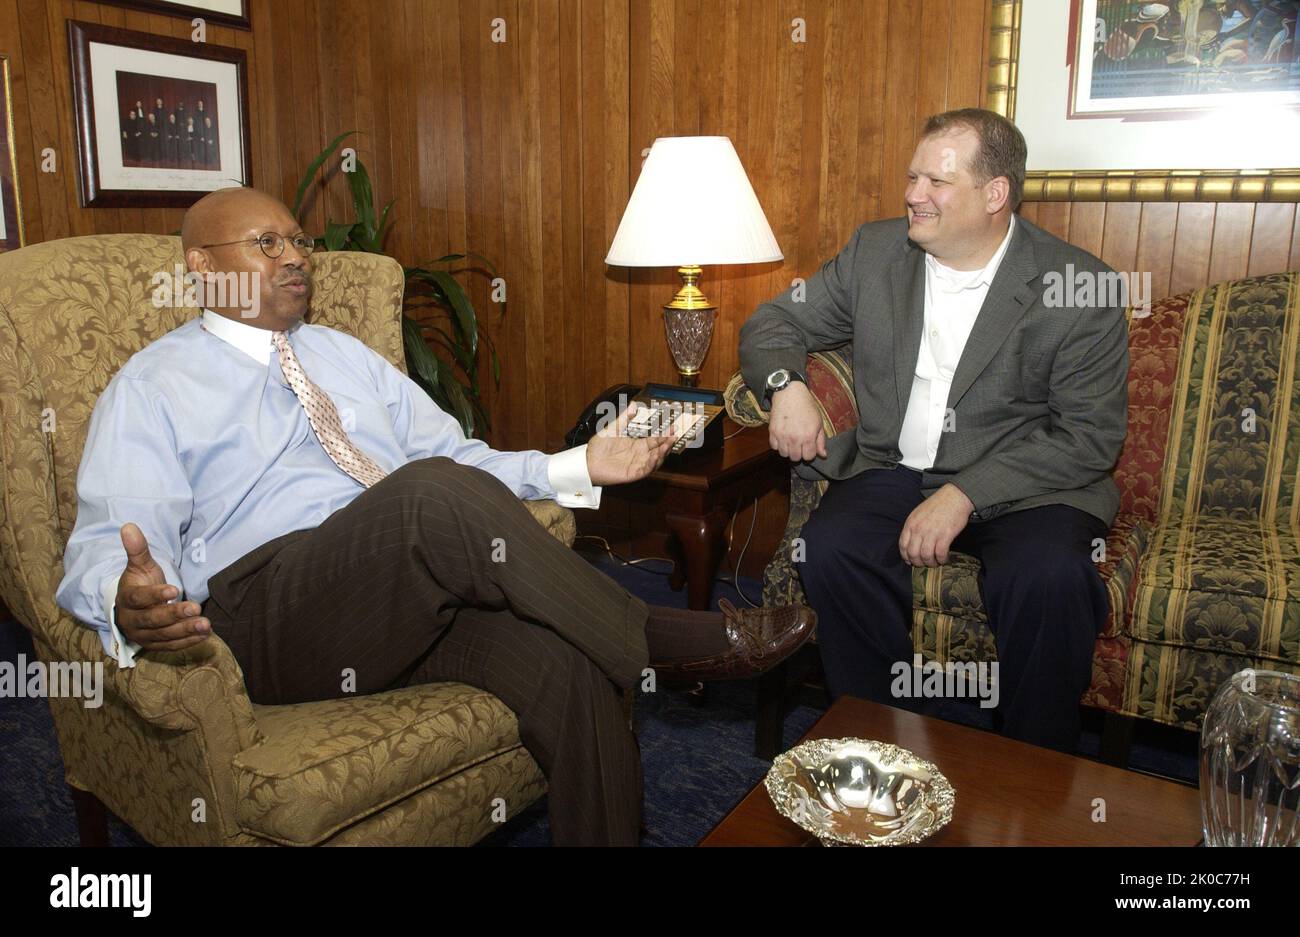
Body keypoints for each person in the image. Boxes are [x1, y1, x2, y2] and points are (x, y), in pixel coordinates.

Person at [56, 187, 815, 846]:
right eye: (267, 243)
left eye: (298, 240)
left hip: (395, 590)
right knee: (424, 492)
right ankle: (657, 638)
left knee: (569, 667)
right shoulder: (153, 385)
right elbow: (103, 545)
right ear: (203, 266)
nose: (295, 257)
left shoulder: (343, 355)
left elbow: (460, 459)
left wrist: (579, 465)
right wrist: (124, 602)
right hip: (268, 612)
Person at [739, 108, 1128, 753]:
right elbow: (776, 320)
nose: (914, 195)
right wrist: (788, 386)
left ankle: (1033, 767)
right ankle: (877, 744)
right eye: (913, 178)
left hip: (1031, 487)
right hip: (896, 471)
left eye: (937, 183)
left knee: (1049, 576)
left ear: (995, 194)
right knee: (832, 547)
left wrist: (966, 493)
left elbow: (1087, 437)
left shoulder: (1078, 288)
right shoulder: (876, 251)